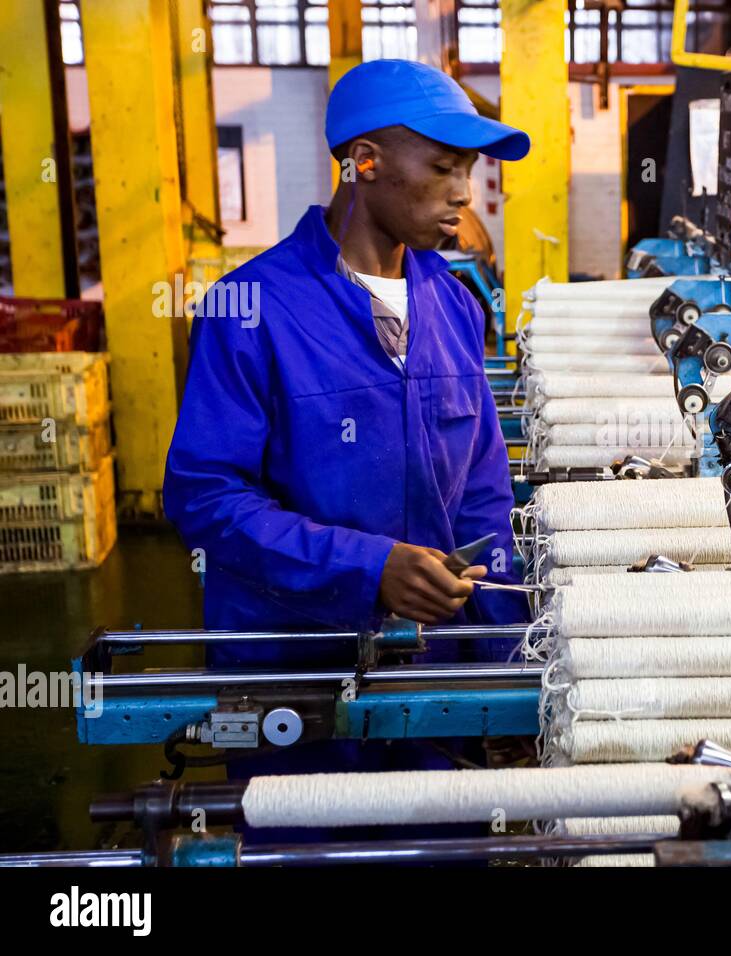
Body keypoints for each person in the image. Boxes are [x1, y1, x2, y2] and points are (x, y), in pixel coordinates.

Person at [163, 60, 531, 784]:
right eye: (443, 167)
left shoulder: (456, 308)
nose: (465, 192)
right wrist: (370, 570)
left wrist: (510, 672)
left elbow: (484, 500)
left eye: (470, 169)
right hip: (296, 686)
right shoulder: (251, 310)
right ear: (363, 162)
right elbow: (207, 500)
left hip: (435, 691)